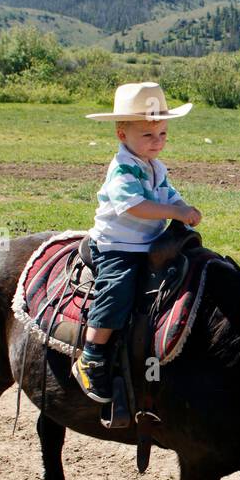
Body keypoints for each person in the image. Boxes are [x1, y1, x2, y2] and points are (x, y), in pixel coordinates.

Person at [72, 82, 202, 403]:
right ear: (122, 135)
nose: (157, 142)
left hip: (150, 242)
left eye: (163, 135)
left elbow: (167, 194)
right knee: (118, 288)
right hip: (119, 246)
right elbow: (133, 206)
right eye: (148, 135)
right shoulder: (122, 169)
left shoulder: (155, 167)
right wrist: (174, 211)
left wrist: (182, 207)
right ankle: (91, 355)